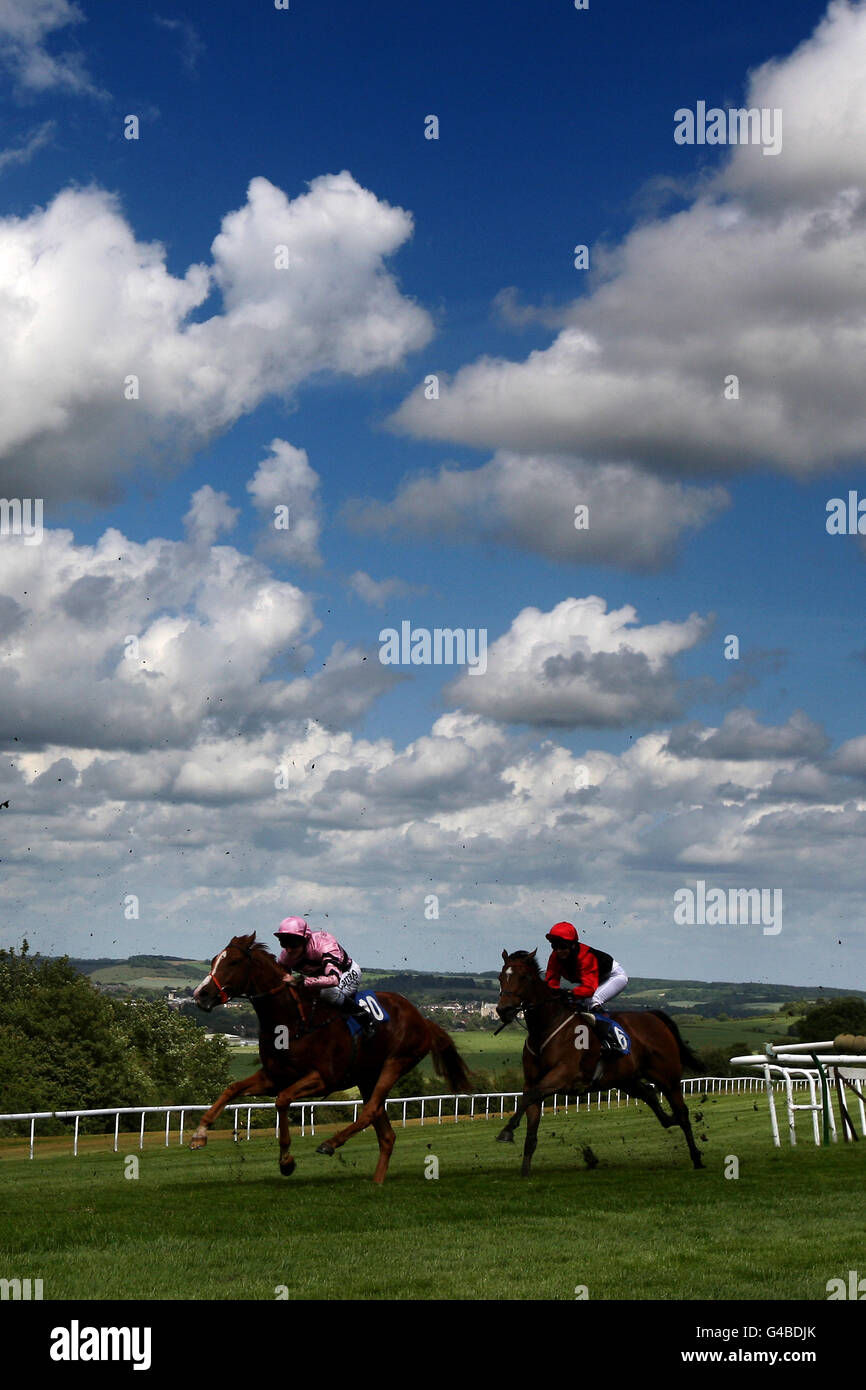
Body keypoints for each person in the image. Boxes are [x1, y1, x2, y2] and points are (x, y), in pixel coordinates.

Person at [274, 917, 376, 1037]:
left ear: (305, 939)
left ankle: (364, 1017)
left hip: (346, 973)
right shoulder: (285, 957)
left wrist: (300, 982)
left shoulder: (324, 944)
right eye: (284, 943)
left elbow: (333, 980)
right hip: (320, 980)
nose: (289, 949)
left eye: (293, 943)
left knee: (328, 993)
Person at [544, 921, 629, 1052]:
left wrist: (569, 994)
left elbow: (589, 989)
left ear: (573, 945)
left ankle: (615, 1038)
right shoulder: (555, 957)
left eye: (562, 946)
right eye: (554, 946)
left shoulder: (585, 957)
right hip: (596, 979)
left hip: (614, 976)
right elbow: (551, 982)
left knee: (592, 1000)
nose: (558, 951)